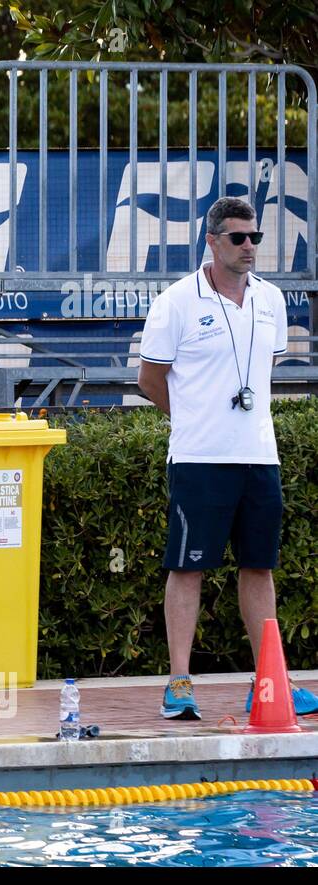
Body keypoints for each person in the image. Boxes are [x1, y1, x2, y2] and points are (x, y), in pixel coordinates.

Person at [138, 196, 318, 720]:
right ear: (212, 241)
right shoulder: (176, 301)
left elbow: (262, 370)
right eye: (238, 238)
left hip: (260, 457)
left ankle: (270, 680)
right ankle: (179, 683)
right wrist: (192, 418)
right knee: (187, 567)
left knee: (259, 568)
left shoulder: (271, 300)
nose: (249, 247)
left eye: (255, 237)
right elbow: (150, 380)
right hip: (198, 458)